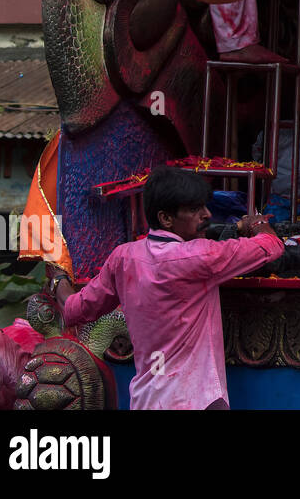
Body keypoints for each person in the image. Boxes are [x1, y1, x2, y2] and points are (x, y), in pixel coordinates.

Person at [48, 166, 282, 409]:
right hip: (196, 400)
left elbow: (75, 309)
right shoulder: (200, 257)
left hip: (147, 399)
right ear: (166, 218)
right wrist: (258, 223)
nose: (206, 214)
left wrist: (59, 279)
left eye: (203, 206)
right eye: (194, 209)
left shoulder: (123, 257)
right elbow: (271, 245)